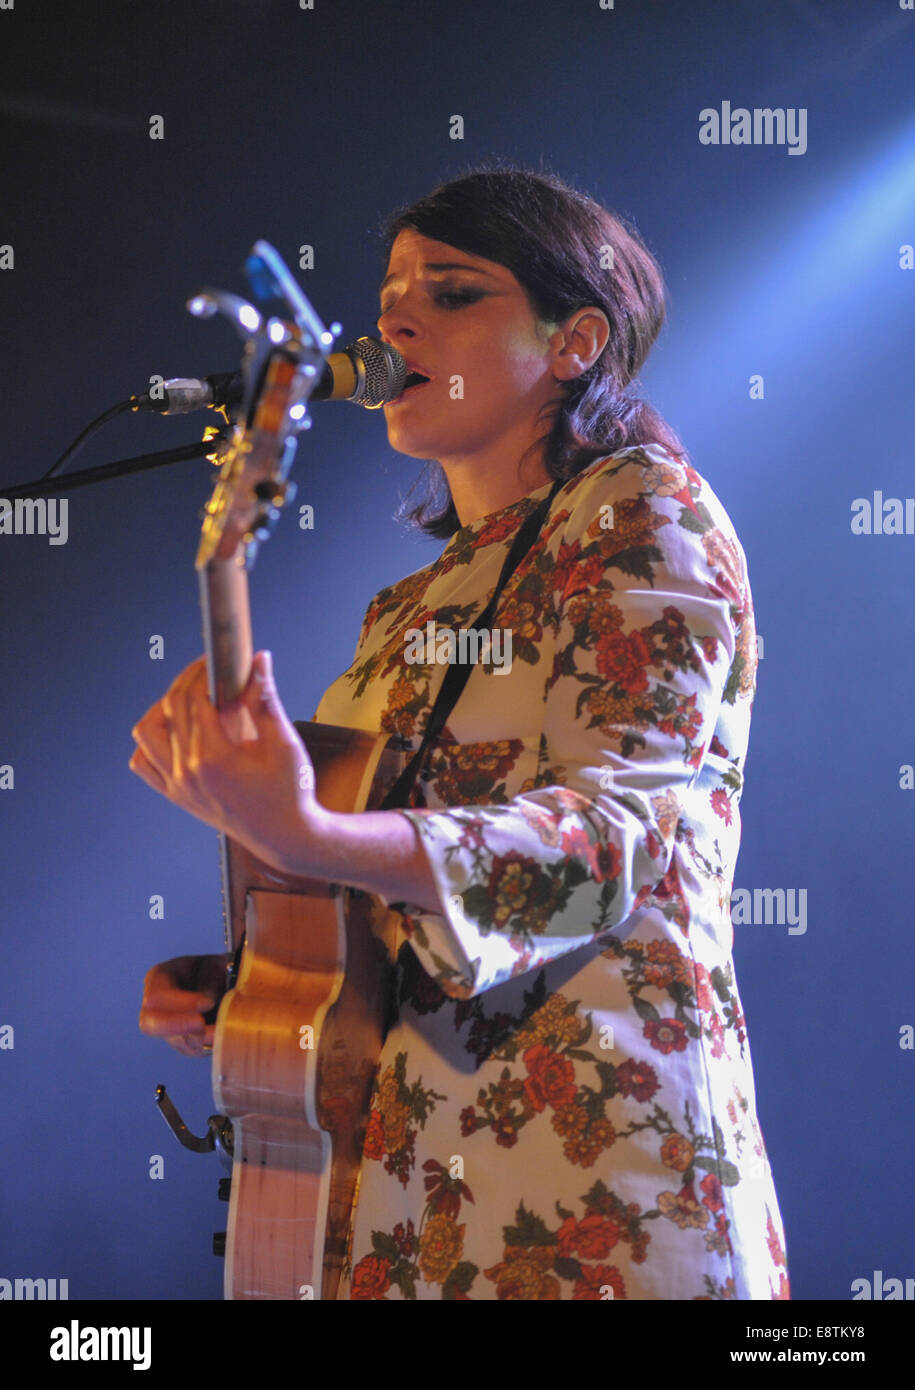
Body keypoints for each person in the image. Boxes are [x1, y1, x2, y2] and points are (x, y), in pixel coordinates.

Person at [132, 163, 790, 1300]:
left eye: (451, 290)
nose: (393, 317)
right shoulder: (408, 612)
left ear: (575, 340)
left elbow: (610, 838)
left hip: (600, 1176)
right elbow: (364, 913)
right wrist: (253, 992)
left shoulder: (644, 509)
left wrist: (307, 830)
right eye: (392, 291)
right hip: (407, 1190)